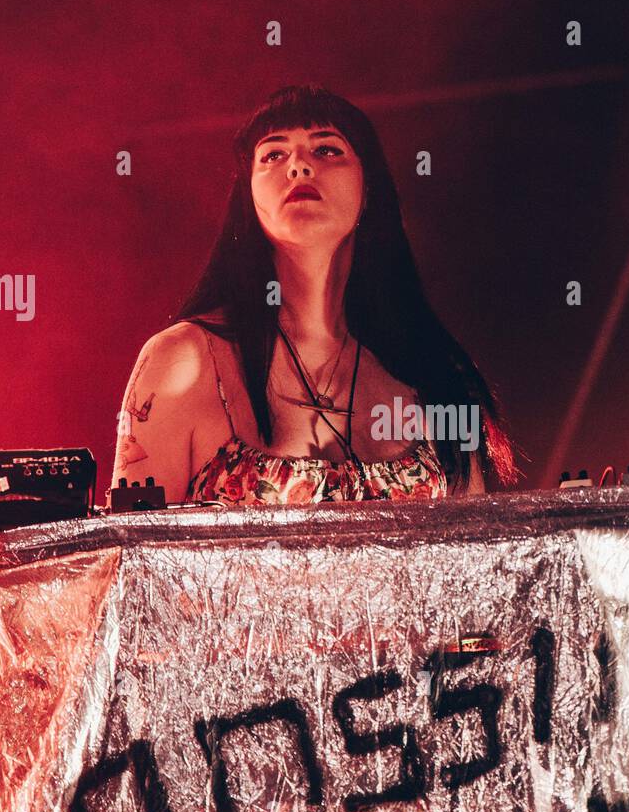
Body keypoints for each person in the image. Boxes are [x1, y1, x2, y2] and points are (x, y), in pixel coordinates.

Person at [111, 84, 516, 506]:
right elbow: (129, 558)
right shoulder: (184, 362)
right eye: (273, 155)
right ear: (249, 196)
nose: (299, 167)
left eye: (326, 150)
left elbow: (473, 553)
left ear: (368, 189)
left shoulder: (438, 374)